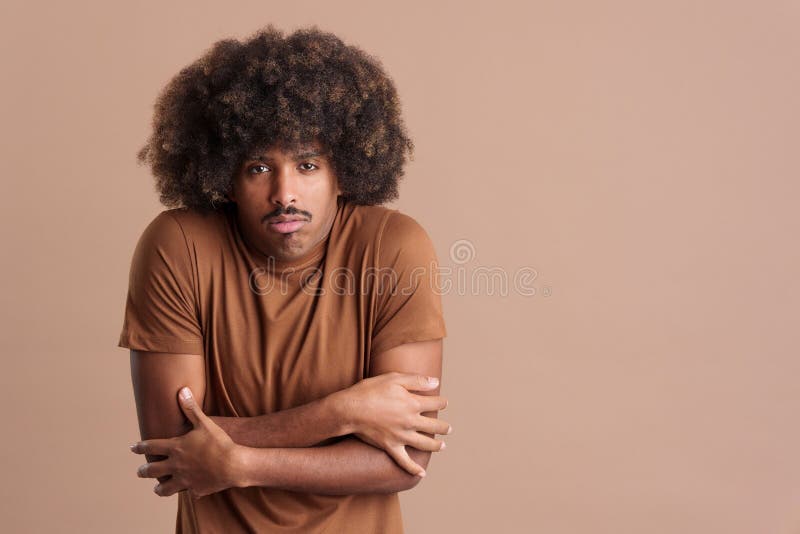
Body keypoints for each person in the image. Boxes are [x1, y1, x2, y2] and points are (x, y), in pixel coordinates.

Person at [118, 24, 450, 533]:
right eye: (257, 168)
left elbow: (402, 461)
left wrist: (239, 463)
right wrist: (343, 413)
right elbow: (172, 450)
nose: (284, 193)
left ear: (344, 173)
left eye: (308, 164)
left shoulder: (393, 248)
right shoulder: (178, 246)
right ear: (224, 175)